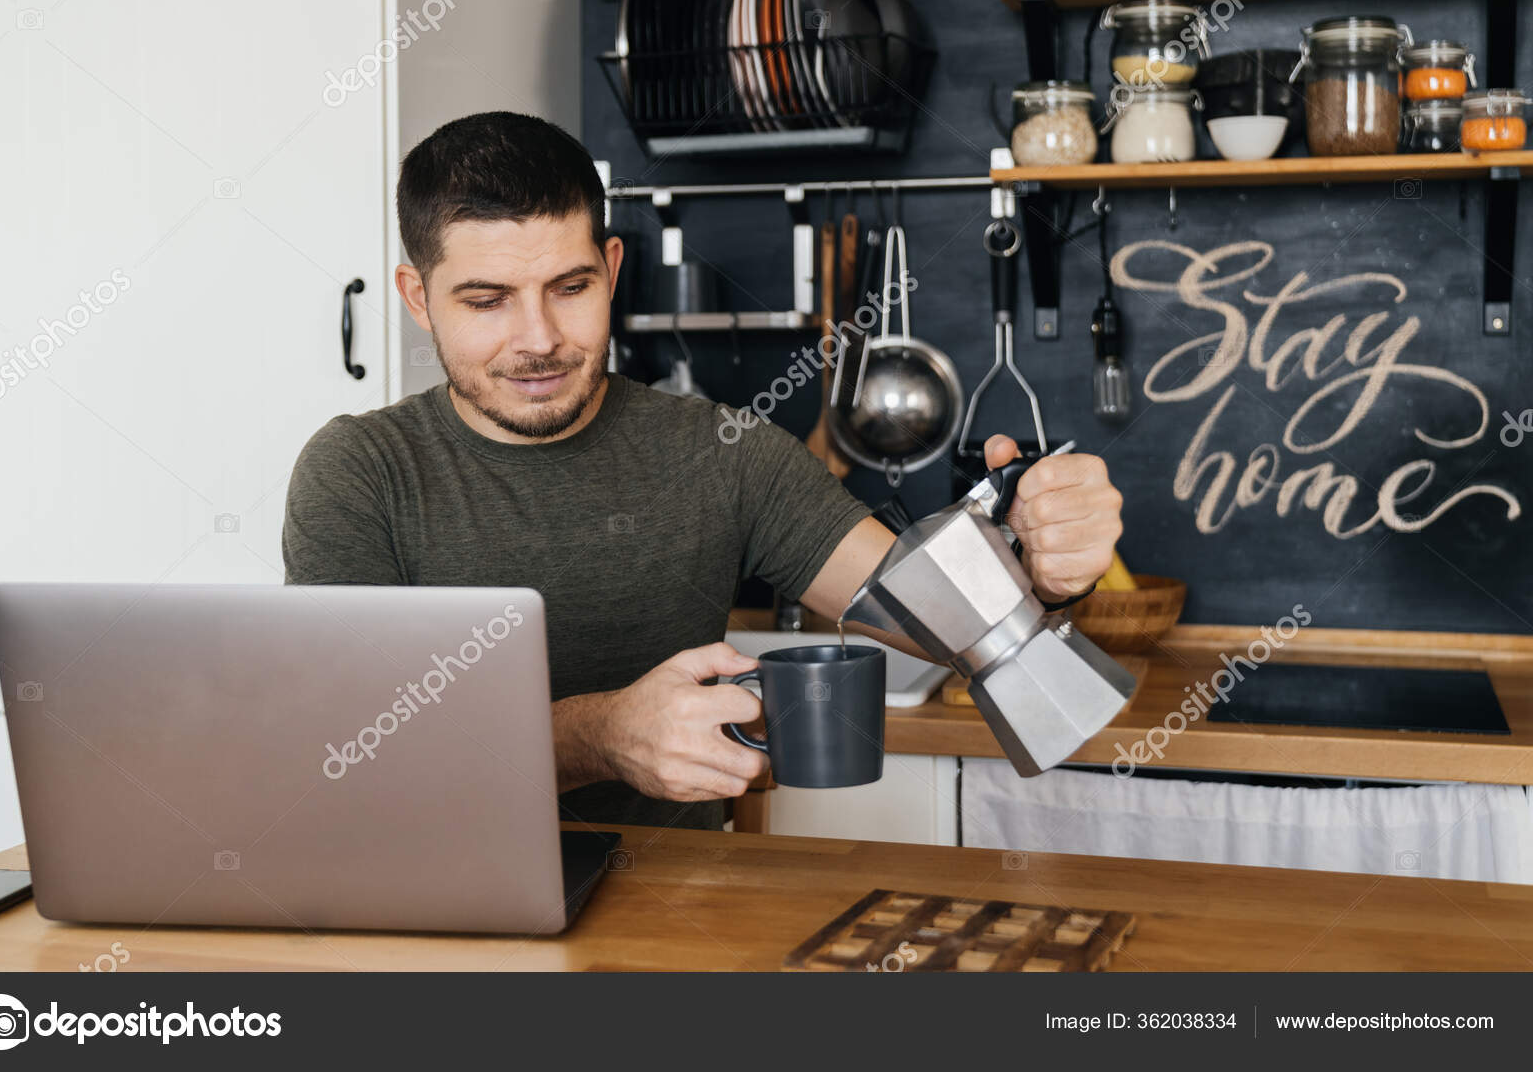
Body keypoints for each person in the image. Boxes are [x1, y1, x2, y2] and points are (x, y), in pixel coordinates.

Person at [283, 112, 1123, 831]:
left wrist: (1038, 568)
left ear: (612, 270)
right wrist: (601, 734)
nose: (537, 338)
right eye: (486, 300)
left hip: (678, 910)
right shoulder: (360, 473)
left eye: (570, 286)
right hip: (434, 918)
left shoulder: (724, 452)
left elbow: (924, 615)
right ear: (418, 296)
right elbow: (356, 761)